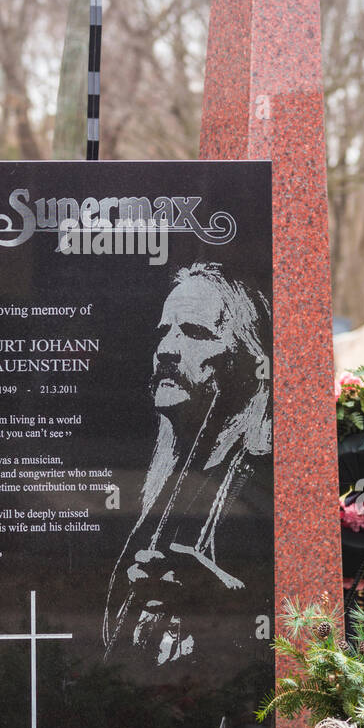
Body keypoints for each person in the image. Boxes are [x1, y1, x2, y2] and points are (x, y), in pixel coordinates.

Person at [103, 262, 273, 667]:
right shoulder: (168, 473)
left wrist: (214, 594)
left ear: (248, 360)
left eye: (194, 333)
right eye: (164, 332)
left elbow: (296, 612)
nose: (167, 349)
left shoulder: (263, 470)